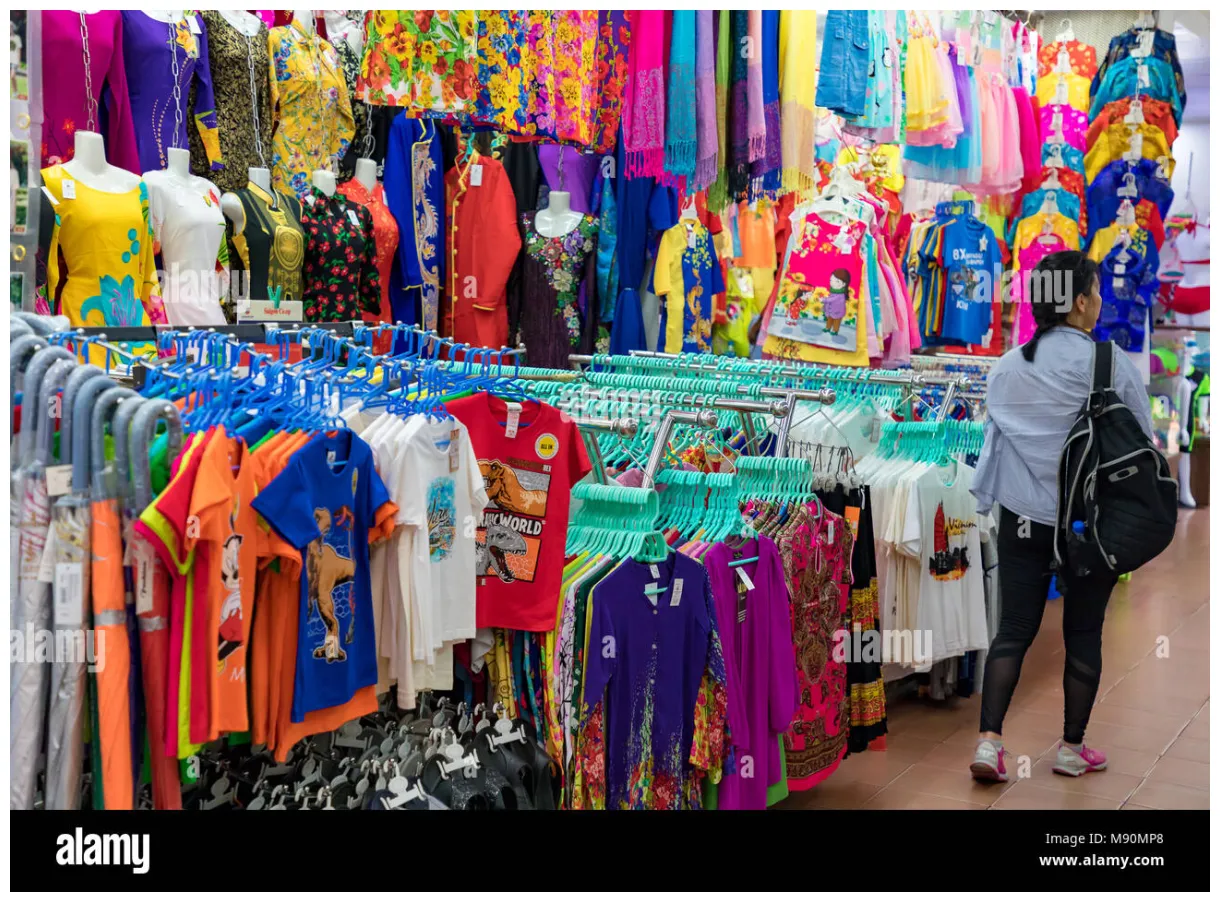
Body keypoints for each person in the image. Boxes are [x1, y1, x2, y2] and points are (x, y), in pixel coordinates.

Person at [968, 251, 1155, 782]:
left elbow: (994, 446)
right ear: (1077, 303)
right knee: (1083, 633)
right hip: (1088, 526)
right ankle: (1072, 748)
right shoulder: (1107, 362)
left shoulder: (1007, 366)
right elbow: (1142, 440)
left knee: (1014, 629)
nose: (1100, 300)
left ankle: (988, 744)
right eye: (1095, 291)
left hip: (1021, 520)